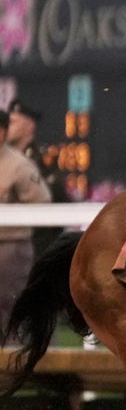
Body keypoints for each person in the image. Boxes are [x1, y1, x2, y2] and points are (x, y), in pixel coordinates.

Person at [0, 109, 54, 332]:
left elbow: (42, 203)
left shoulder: (19, 166)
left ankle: (13, 361)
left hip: (11, 247)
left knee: (10, 307)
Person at [7, 99, 68, 259]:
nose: (7, 127)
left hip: (38, 245)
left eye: (13, 122)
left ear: (30, 126)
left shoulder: (43, 161)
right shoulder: (4, 160)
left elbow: (57, 200)